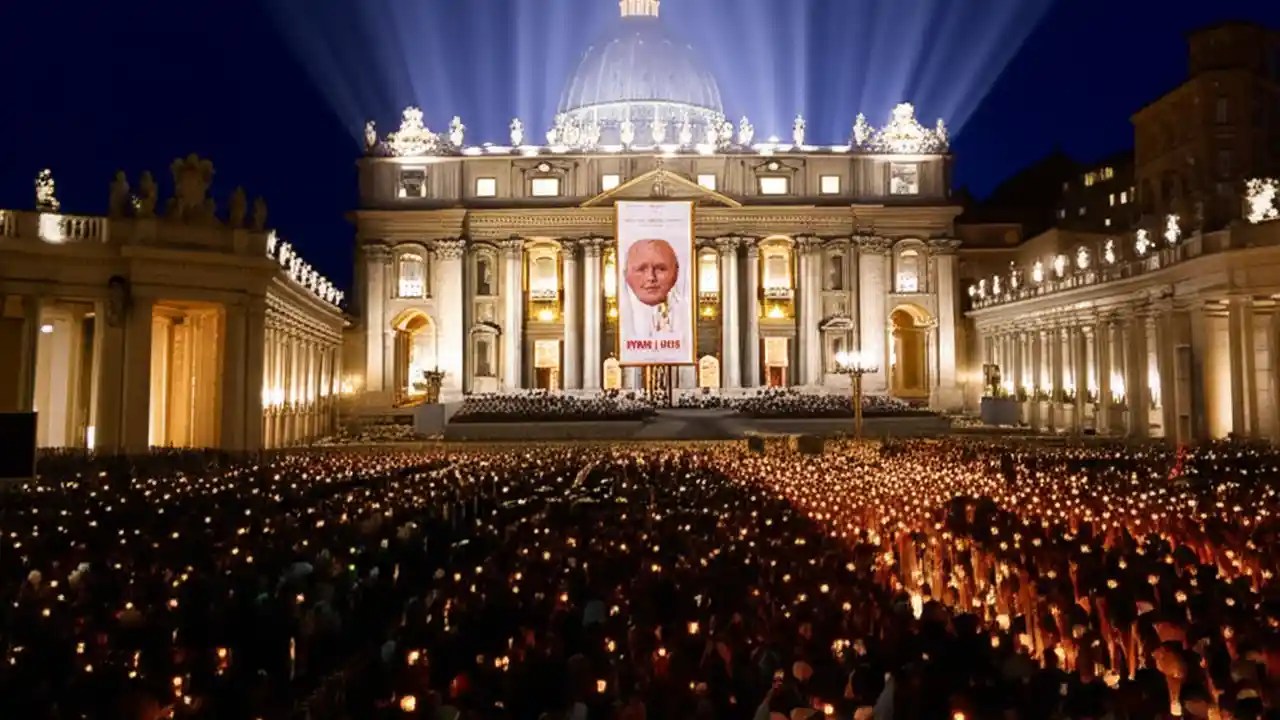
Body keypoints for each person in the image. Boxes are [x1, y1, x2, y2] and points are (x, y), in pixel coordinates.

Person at [621, 238, 693, 361]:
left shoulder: (685, 313)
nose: (651, 277)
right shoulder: (624, 317)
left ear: (676, 272)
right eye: (641, 269)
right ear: (626, 273)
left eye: (660, 268)